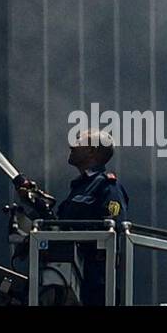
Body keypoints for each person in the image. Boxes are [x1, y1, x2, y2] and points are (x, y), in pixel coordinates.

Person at [54, 128, 128, 306]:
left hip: (96, 285)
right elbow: (62, 225)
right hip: (72, 278)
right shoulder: (81, 186)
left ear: (92, 151)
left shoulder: (108, 187)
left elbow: (111, 230)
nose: (72, 145)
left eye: (79, 141)